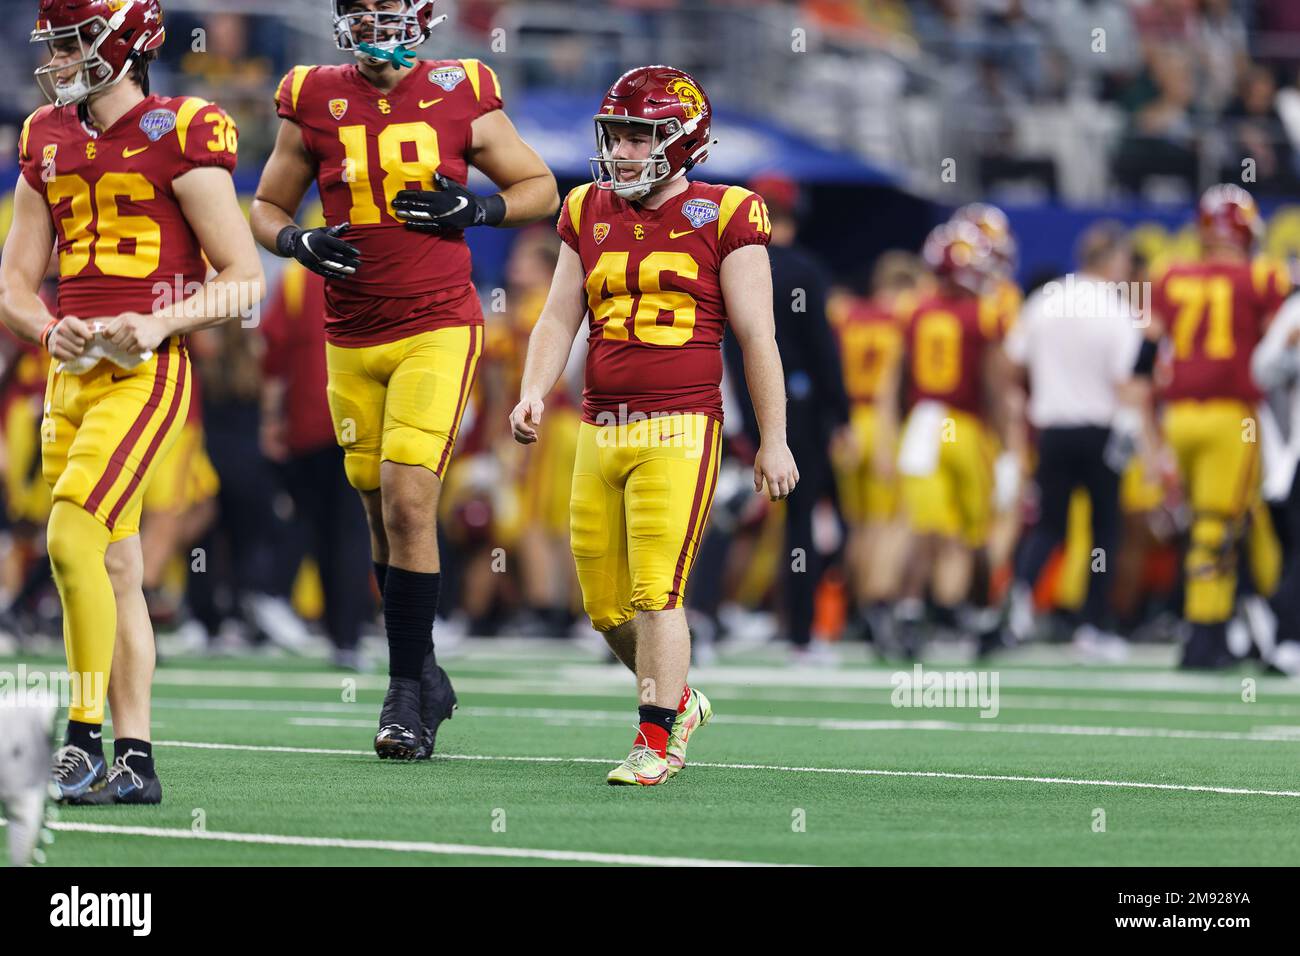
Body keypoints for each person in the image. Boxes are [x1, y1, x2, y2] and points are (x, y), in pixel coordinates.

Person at [249, 0, 558, 759]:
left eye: (385, 14)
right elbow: (263, 205)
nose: (372, 28)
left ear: (417, 18)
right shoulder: (312, 93)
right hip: (350, 334)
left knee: (410, 499)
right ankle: (425, 674)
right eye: (359, 13)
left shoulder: (461, 85)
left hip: (437, 325)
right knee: (380, 513)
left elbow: (541, 187)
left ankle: (401, 699)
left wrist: (480, 206)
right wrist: (297, 239)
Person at [0, 0, 264, 803]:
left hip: (146, 371)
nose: (63, 55)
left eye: (79, 38)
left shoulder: (181, 126)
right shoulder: (46, 134)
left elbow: (243, 278)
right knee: (114, 567)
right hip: (70, 375)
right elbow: (13, 281)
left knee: (70, 536)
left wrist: (157, 321)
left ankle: (80, 738)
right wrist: (49, 331)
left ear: (126, 41)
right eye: (59, 41)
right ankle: (137, 760)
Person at [510, 66, 798, 785]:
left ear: (681, 139)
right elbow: (557, 317)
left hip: (681, 425)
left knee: (656, 593)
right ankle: (680, 700)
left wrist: (773, 436)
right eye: (618, 135)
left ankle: (656, 738)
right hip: (599, 426)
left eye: (640, 136)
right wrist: (532, 391)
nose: (625, 151)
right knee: (605, 608)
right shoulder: (585, 207)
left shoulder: (727, 212)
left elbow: (758, 336)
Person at [1150, 184, 1290, 668]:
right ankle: (1206, 634)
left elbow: (1146, 353)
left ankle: (1254, 620)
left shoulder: (1170, 275)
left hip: (1179, 417)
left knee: (1237, 520)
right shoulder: (1263, 275)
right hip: (1233, 417)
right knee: (1219, 526)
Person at [1003, 222, 1149, 661]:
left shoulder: (1046, 299)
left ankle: (1018, 604)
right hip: (1101, 431)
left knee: (1049, 526)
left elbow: (1012, 363)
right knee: (1104, 530)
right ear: (1112, 260)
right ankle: (1091, 624)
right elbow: (1128, 383)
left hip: (1053, 430)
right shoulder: (1117, 307)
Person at [876, 222, 1013, 657]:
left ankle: (915, 612)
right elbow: (996, 389)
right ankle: (975, 616)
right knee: (967, 531)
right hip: (965, 428)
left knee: (929, 527)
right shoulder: (984, 314)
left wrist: (888, 435)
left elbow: (894, 385)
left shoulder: (912, 310)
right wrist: (1010, 447)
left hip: (922, 425)